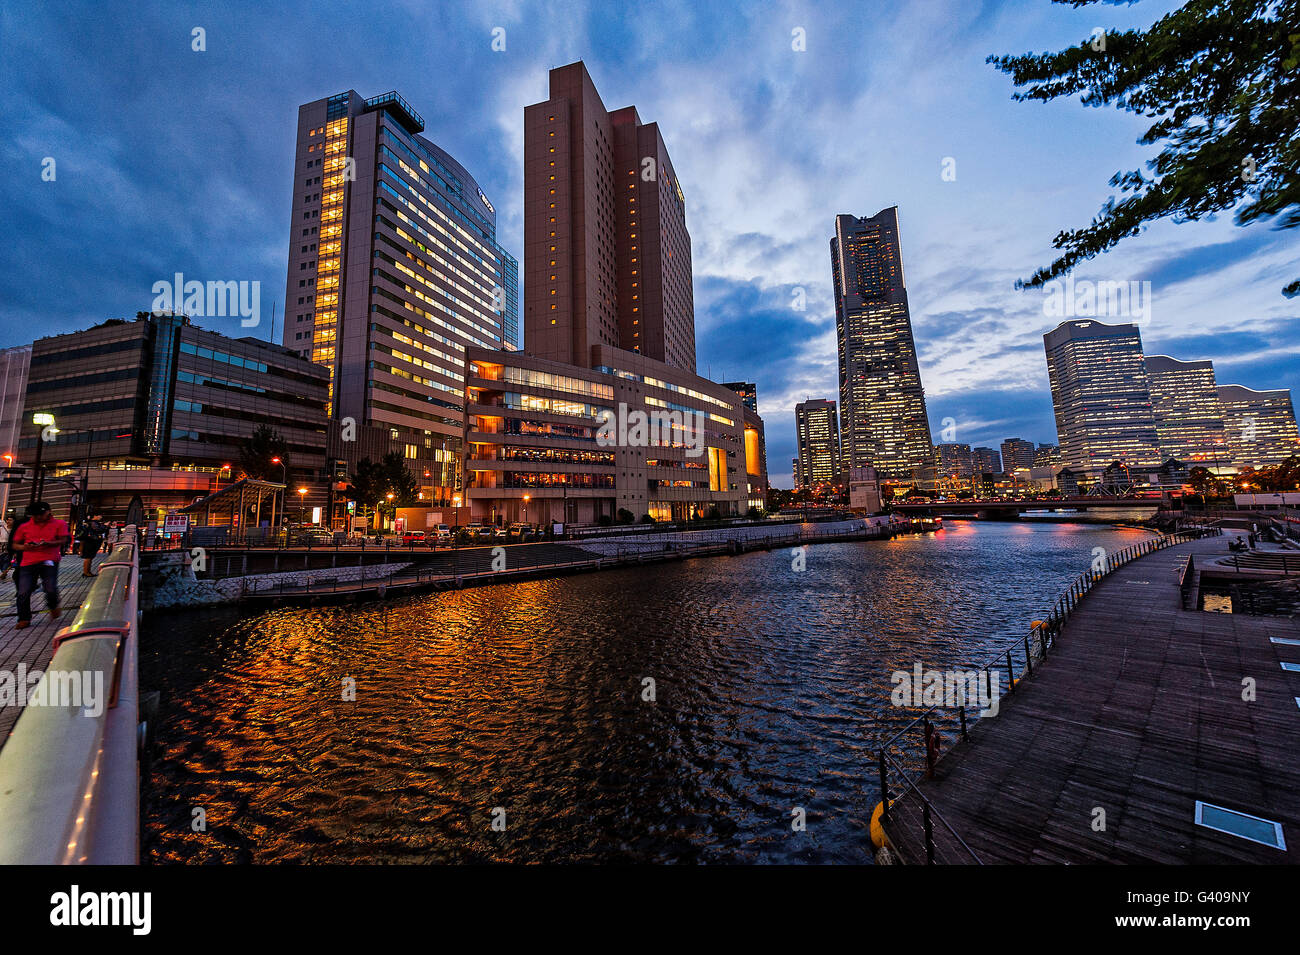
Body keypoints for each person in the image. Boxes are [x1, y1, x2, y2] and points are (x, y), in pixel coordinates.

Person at [10, 501, 71, 630]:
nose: (38, 517)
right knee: (23, 591)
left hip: (49, 560)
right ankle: (24, 618)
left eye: (40, 514)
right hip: (28, 561)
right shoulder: (25, 526)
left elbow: (64, 540)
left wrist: (48, 543)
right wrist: (25, 546)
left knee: (50, 587)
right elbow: (15, 544)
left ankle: (53, 605)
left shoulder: (59, 524)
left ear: (48, 511)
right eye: (35, 515)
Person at [0, 516, 13, 581]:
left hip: (9, 546)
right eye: (7, 520)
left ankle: (4, 571)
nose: (8, 521)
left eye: (10, 520)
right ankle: (3, 571)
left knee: (7, 560)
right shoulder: (2, 528)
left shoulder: (14, 530)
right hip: (1, 544)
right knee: (1, 559)